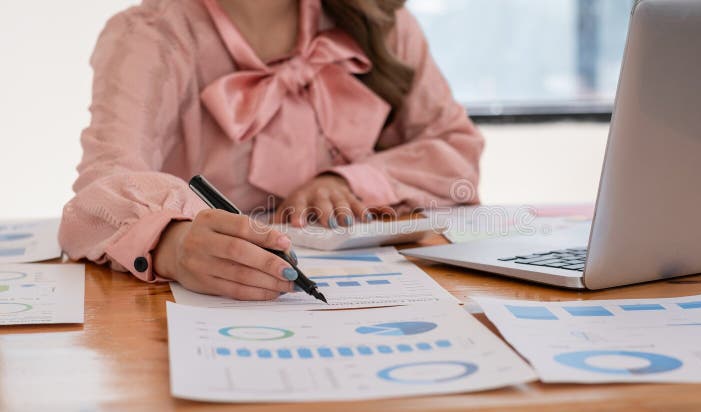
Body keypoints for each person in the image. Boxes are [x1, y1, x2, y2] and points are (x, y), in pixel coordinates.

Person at [59, 0, 484, 301]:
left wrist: (346, 179)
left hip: (384, 300)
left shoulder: (384, 19)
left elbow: (454, 149)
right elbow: (102, 187)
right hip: (202, 316)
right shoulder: (149, 37)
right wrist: (171, 242)